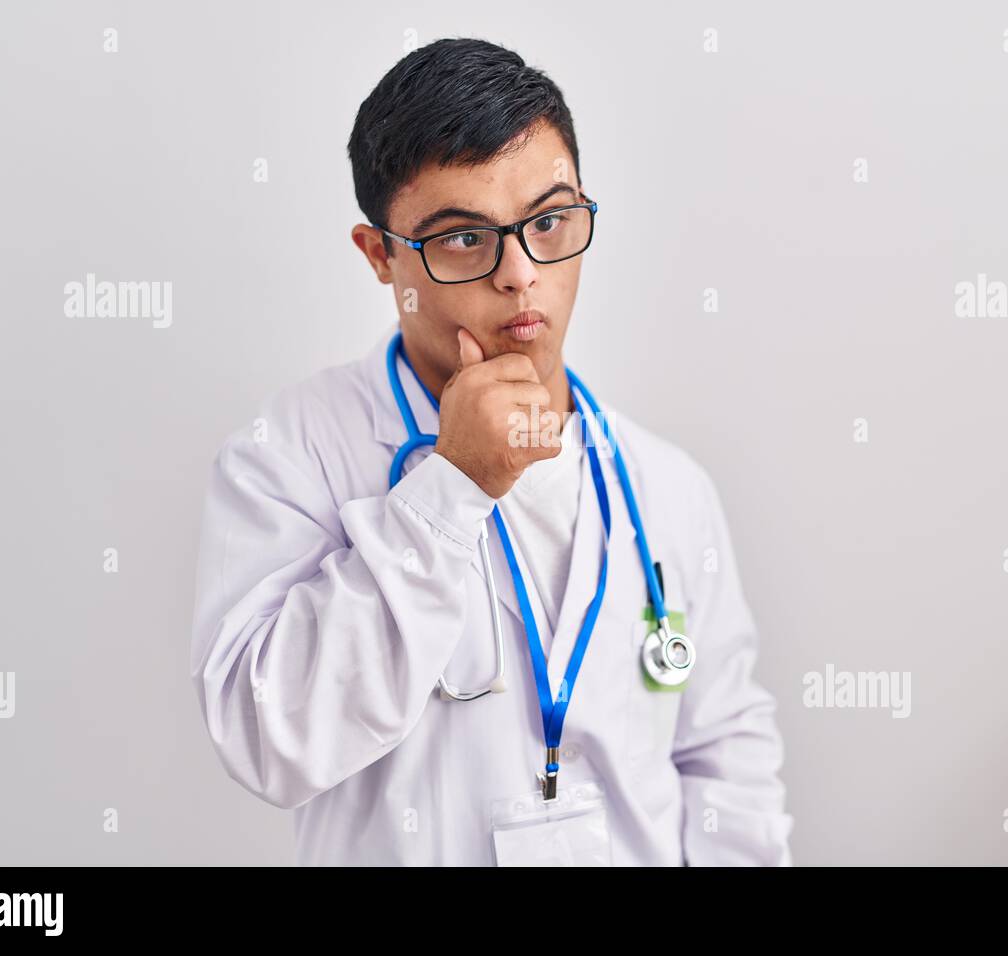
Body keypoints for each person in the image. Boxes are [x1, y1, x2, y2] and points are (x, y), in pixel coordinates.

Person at [189, 37, 794, 866]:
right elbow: (268, 739)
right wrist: (450, 489)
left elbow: (726, 763)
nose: (520, 273)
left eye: (548, 222)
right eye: (464, 238)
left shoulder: (666, 486)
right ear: (381, 257)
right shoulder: (291, 454)